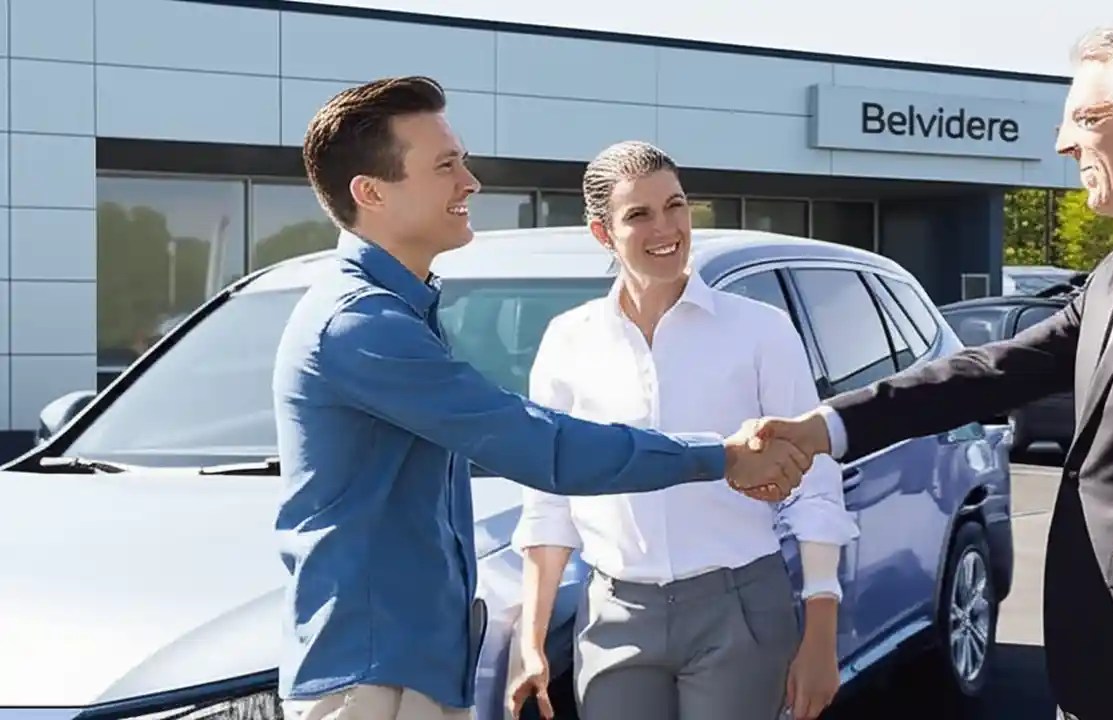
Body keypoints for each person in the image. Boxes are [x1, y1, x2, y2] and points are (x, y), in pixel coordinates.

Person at [750, 18, 1113, 720]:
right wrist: (826, 426)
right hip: (1093, 675)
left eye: (1087, 118)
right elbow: (990, 371)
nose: (1065, 143)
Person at [271, 77, 810, 720]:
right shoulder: (360, 325)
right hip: (372, 678)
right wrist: (718, 456)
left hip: (406, 666)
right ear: (372, 192)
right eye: (446, 166)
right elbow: (540, 446)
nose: (469, 183)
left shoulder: (396, 309)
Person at [503, 141, 857, 720]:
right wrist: (531, 640)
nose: (665, 228)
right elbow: (548, 500)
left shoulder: (761, 333)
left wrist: (820, 632)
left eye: (675, 206)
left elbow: (818, 488)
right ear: (602, 234)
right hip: (614, 613)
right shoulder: (568, 342)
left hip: (740, 608)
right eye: (638, 215)